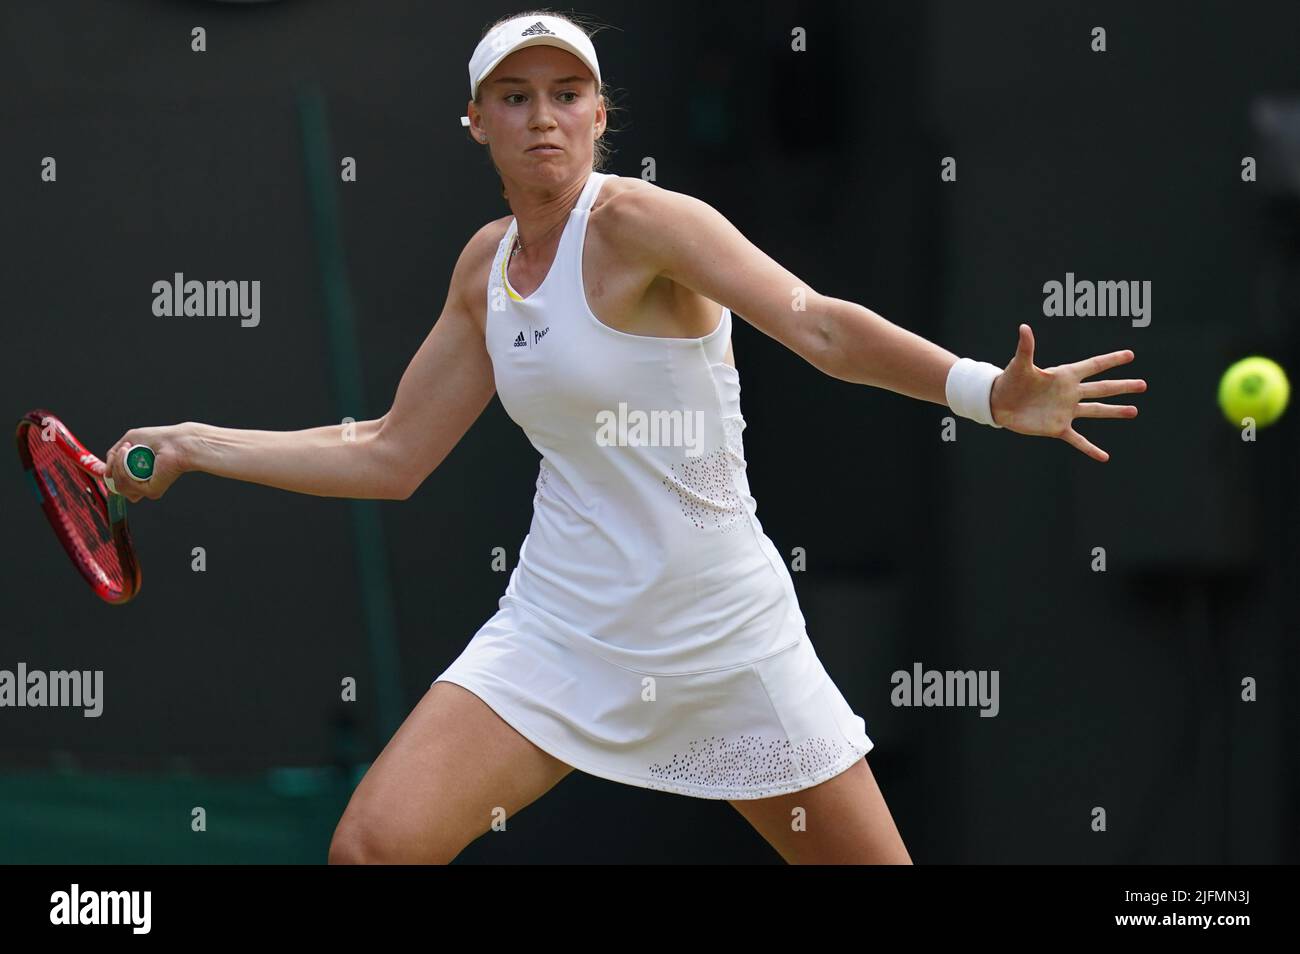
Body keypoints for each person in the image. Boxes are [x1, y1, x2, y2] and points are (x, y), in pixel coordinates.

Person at [104, 11, 1146, 864]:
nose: (542, 118)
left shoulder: (645, 222)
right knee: (372, 850)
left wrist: (983, 393)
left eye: (566, 95)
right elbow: (390, 450)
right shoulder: (486, 267)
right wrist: (196, 443)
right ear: (476, 122)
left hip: (723, 633)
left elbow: (818, 325)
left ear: (601, 112)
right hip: (558, 629)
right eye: (514, 97)